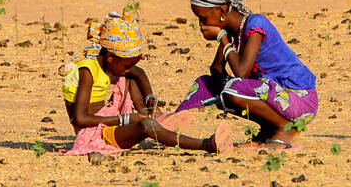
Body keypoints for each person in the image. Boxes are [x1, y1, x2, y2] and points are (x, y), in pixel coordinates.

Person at [174, 0, 318, 148]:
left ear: (221, 10)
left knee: (232, 90)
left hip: (298, 98)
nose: (201, 25)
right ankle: (267, 130)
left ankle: (285, 128)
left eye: (203, 19)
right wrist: (225, 41)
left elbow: (242, 72)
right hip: (274, 94)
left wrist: (222, 38)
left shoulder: (255, 25)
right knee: (210, 85)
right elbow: (216, 70)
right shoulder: (236, 34)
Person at [61, 11, 230, 162]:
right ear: (111, 57)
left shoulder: (110, 61)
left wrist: (150, 98)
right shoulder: (88, 71)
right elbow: (80, 119)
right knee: (146, 126)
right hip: (95, 133)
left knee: (128, 77)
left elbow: (138, 72)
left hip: (108, 119)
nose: (129, 69)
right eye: (127, 64)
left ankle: (153, 115)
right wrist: (125, 119)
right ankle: (207, 144)